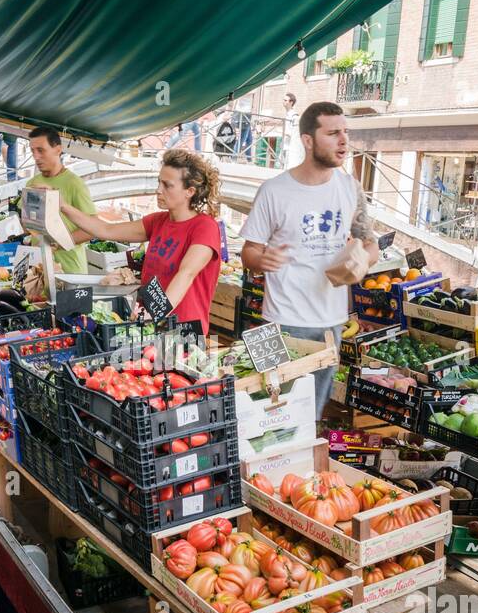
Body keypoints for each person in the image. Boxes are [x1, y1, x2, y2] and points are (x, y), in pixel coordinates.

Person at [241, 101, 380, 416]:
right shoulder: (274, 191)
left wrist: (362, 261)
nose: (344, 140)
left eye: (345, 132)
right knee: (270, 414)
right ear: (308, 140)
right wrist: (262, 260)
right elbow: (248, 251)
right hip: (281, 322)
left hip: (330, 324)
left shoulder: (350, 189)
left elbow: (371, 244)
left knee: (311, 415)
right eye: (333, 133)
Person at [60, 148, 223, 333]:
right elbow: (104, 230)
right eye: (159, 182)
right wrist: (63, 206)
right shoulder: (157, 222)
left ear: (190, 191)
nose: (158, 190)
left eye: (167, 185)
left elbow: (186, 274)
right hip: (147, 325)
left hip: (182, 331)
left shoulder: (205, 227)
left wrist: (155, 314)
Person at [25, 126, 95, 273]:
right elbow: (28, 223)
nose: (36, 157)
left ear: (57, 149)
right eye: (33, 151)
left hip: (71, 272)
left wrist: (56, 244)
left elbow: (92, 230)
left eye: (41, 150)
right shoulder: (32, 184)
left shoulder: (74, 184)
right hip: (40, 271)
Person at [281, 94, 303, 169]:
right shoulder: (288, 114)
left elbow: (295, 133)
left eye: (285, 100)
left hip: (290, 147)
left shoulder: (294, 115)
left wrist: (286, 133)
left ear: (291, 102)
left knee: (287, 168)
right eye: (283, 100)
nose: (283, 102)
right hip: (285, 145)